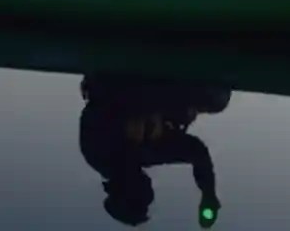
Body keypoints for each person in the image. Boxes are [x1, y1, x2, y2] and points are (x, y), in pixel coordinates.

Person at [78, 75, 228, 227]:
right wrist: (208, 194)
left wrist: (143, 112)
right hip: (164, 82)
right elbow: (196, 151)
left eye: (142, 197)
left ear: (126, 193)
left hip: (125, 72)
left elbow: (99, 101)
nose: (149, 186)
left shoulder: (97, 153)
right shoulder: (144, 154)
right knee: (216, 99)